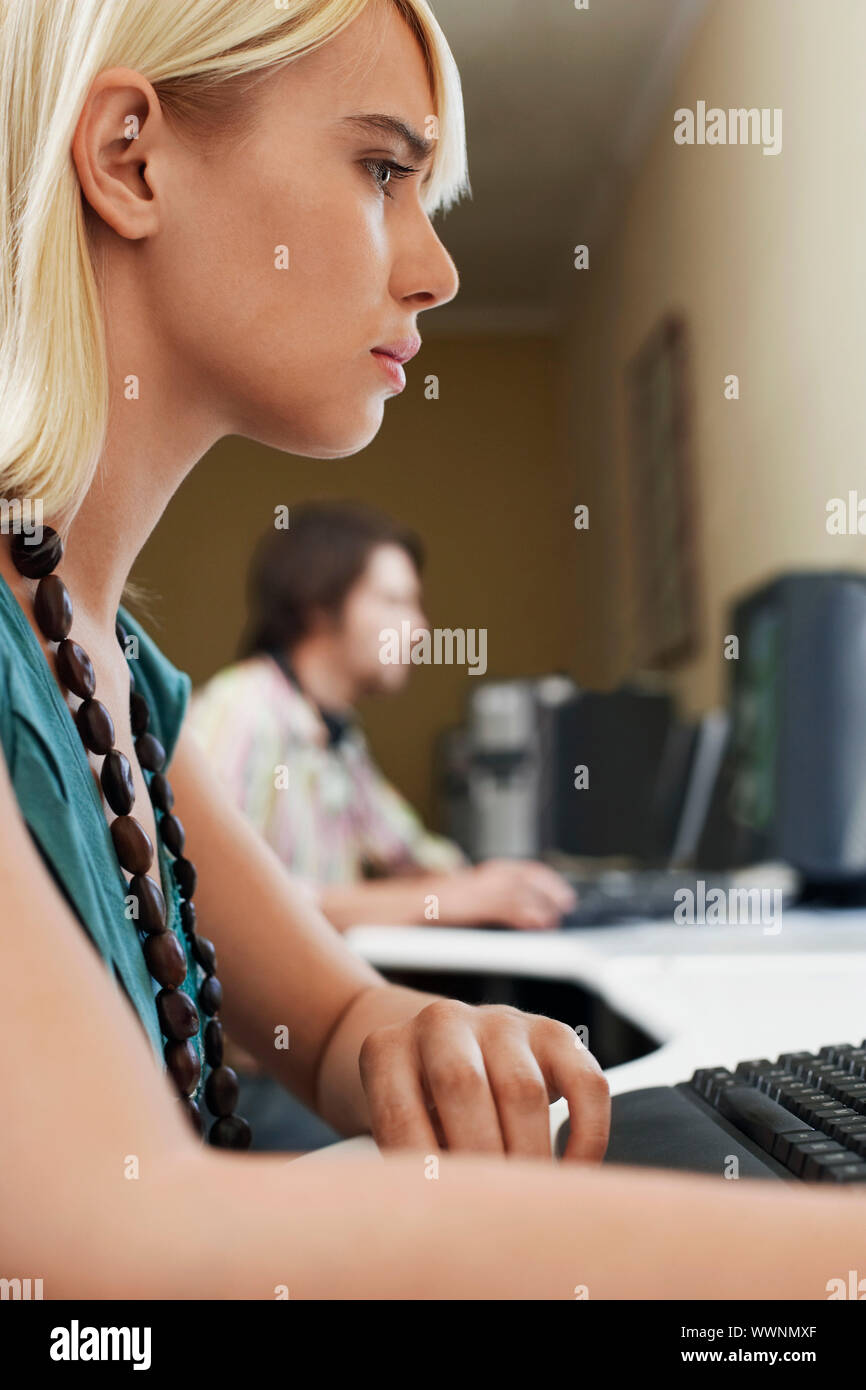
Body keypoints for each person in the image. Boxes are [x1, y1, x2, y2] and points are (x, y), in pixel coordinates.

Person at [0, 0, 859, 1302]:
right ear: (131, 158)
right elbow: (116, 1248)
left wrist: (418, 1034)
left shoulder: (117, 677)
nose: (436, 271)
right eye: (383, 170)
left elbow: (339, 1018)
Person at [188, 500, 577, 932]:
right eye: (394, 602)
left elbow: (409, 854)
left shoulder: (337, 735)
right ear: (316, 605)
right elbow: (213, 893)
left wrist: (496, 881)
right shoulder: (240, 709)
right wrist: (448, 898)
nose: (420, 628)